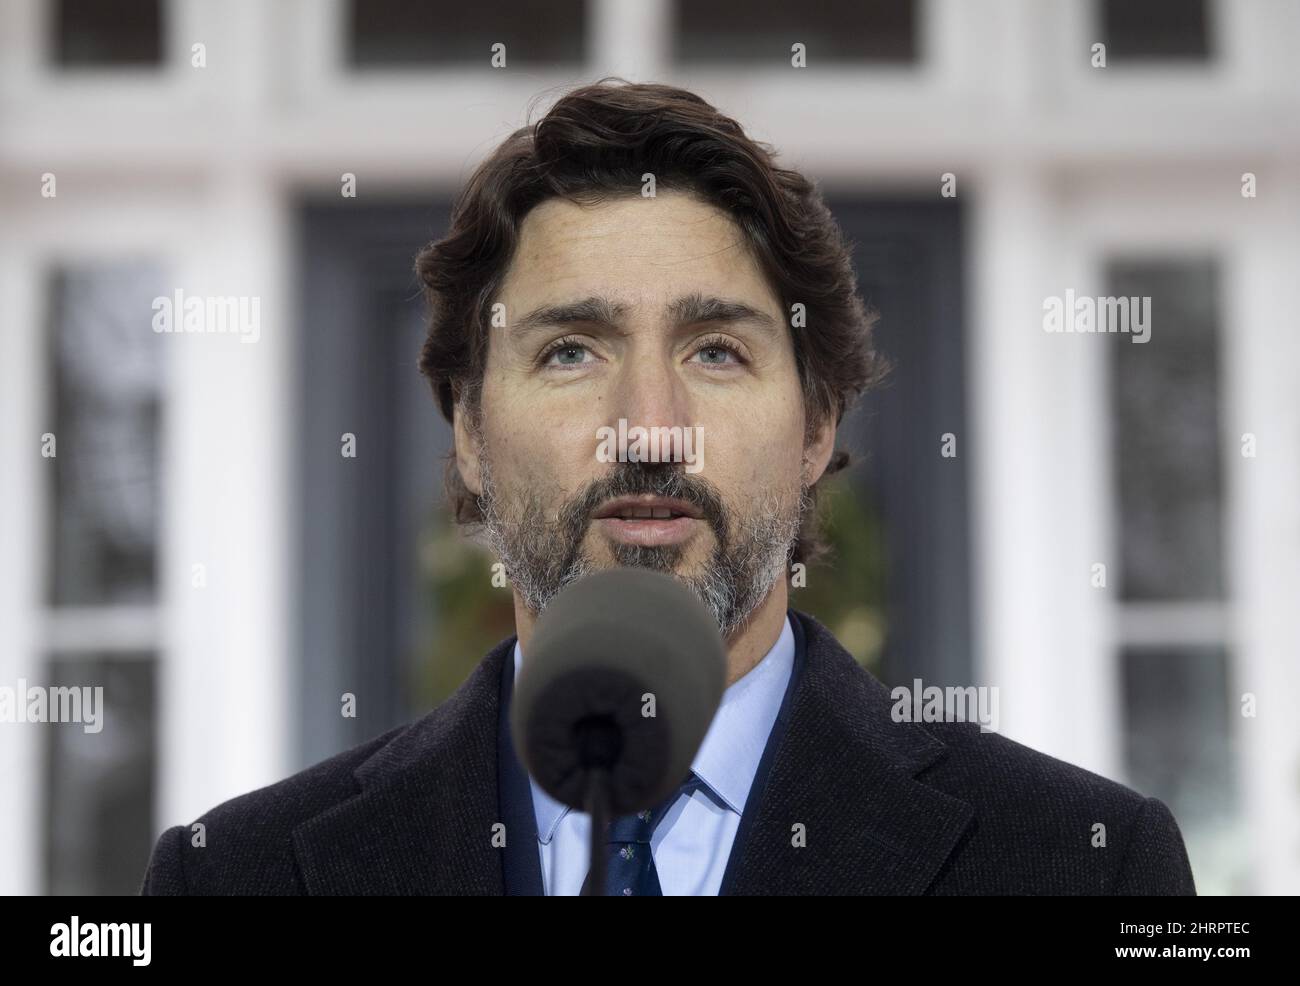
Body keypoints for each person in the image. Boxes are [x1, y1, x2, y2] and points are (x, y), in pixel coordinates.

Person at [140, 79, 1195, 895]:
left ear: (816, 424)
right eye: (569, 352)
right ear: (467, 429)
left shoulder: (1081, 865)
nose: (648, 425)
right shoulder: (235, 875)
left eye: (716, 351)